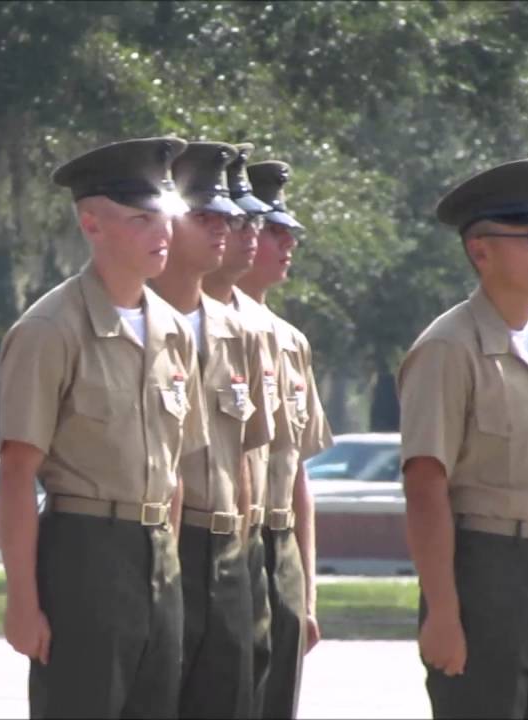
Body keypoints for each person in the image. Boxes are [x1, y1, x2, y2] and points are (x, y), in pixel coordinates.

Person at [0, 136, 209, 718]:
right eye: (141, 219)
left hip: (158, 559)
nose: (161, 233)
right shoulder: (50, 328)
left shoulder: (173, 331)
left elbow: (173, 470)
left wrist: (167, 566)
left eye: (165, 217)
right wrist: (22, 602)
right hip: (84, 552)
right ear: (92, 224)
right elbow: (16, 471)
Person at [399, 158, 528, 718]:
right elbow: (425, 484)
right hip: (485, 569)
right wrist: (443, 613)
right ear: (481, 251)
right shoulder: (448, 346)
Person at [151, 140, 269, 719]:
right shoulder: (136, 322)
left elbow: (243, 455)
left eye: (227, 215)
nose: (224, 226)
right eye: (205, 215)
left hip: (225, 550)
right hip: (155, 544)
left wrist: (240, 553)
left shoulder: (238, 330)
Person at [238, 159, 333, 719]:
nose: (287, 242)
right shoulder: (198, 328)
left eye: (287, 230)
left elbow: (298, 476)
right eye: (272, 229)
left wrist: (306, 593)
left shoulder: (291, 342)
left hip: (281, 552)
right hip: (230, 544)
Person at [201, 142, 280, 716]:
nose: (242, 231)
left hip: (244, 540)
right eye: (232, 219)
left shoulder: (253, 333)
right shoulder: (163, 325)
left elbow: (272, 458)